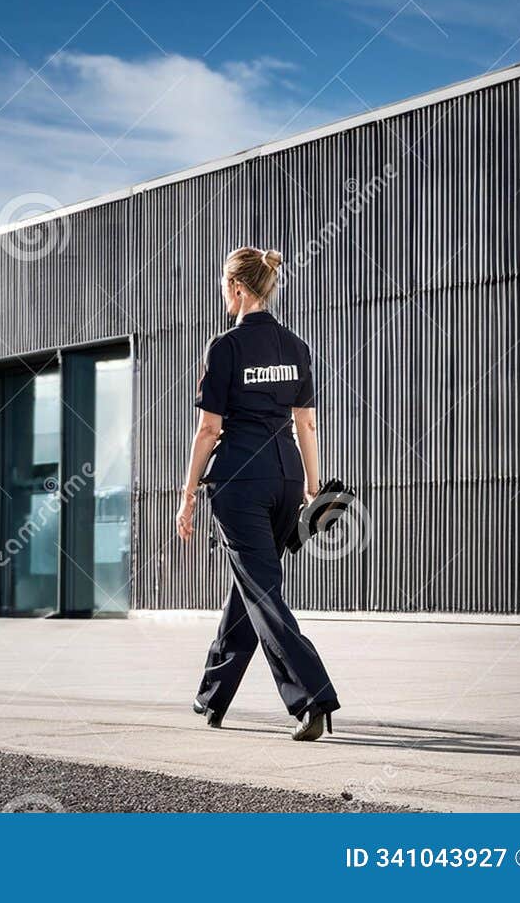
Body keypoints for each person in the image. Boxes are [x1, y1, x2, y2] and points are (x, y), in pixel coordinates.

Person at [175, 246, 340, 741]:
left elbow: (208, 430)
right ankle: (213, 696)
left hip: (239, 482)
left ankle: (313, 696)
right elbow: (305, 423)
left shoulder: (223, 347)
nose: (224, 294)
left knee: (262, 589)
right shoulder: (297, 347)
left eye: (225, 286)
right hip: (286, 478)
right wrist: (313, 488)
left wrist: (186, 495)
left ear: (239, 288)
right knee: (251, 584)